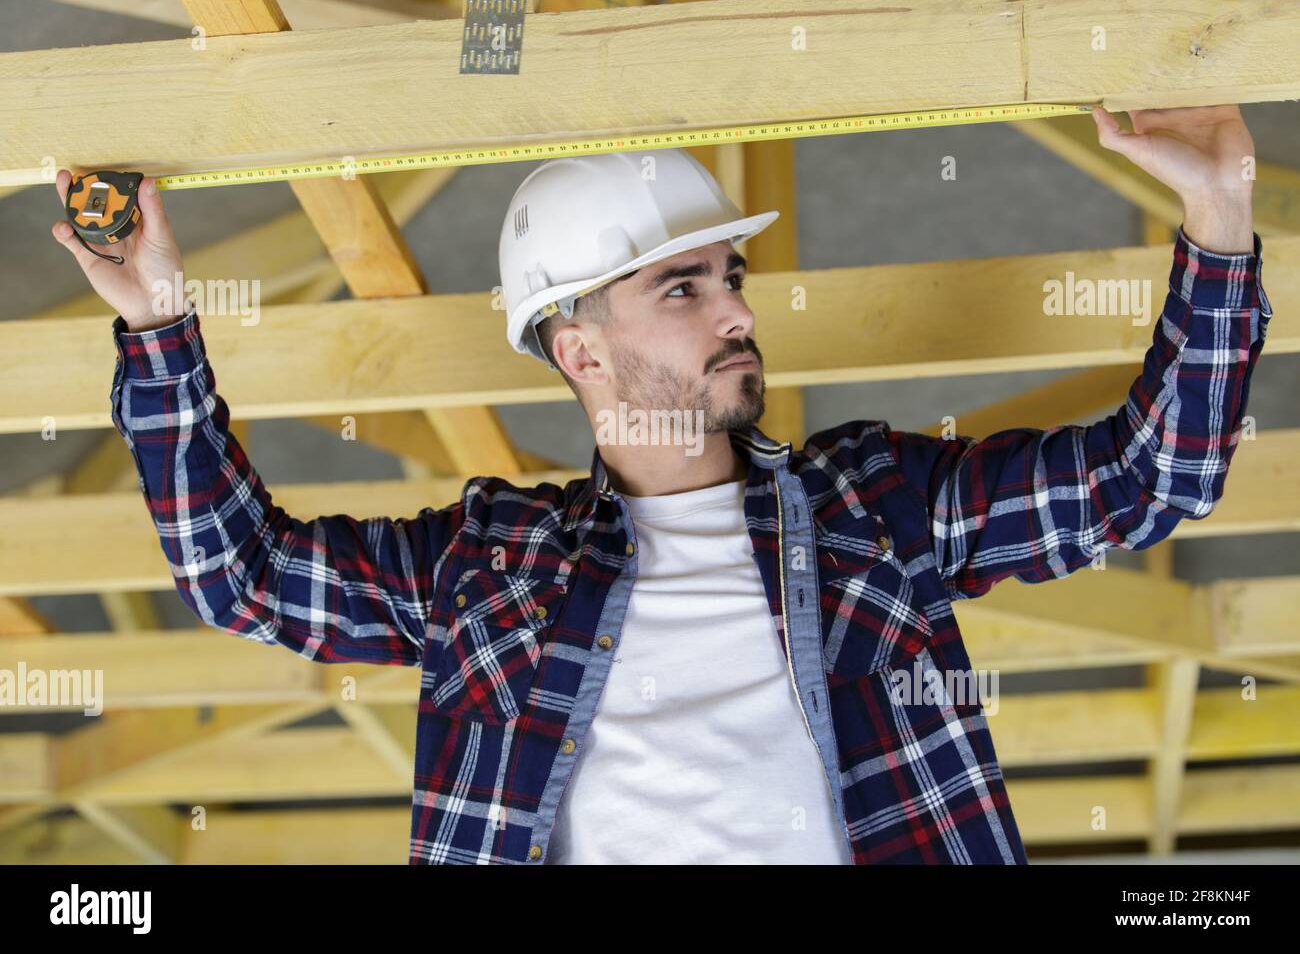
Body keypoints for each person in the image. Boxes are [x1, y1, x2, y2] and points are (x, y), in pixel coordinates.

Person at [53, 105, 1270, 864]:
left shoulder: (871, 506)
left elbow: (1146, 476)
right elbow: (244, 576)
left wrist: (1217, 211)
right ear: (580, 349)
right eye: (682, 288)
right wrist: (160, 321)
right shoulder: (492, 561)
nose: (740, 309)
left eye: (727, 275)